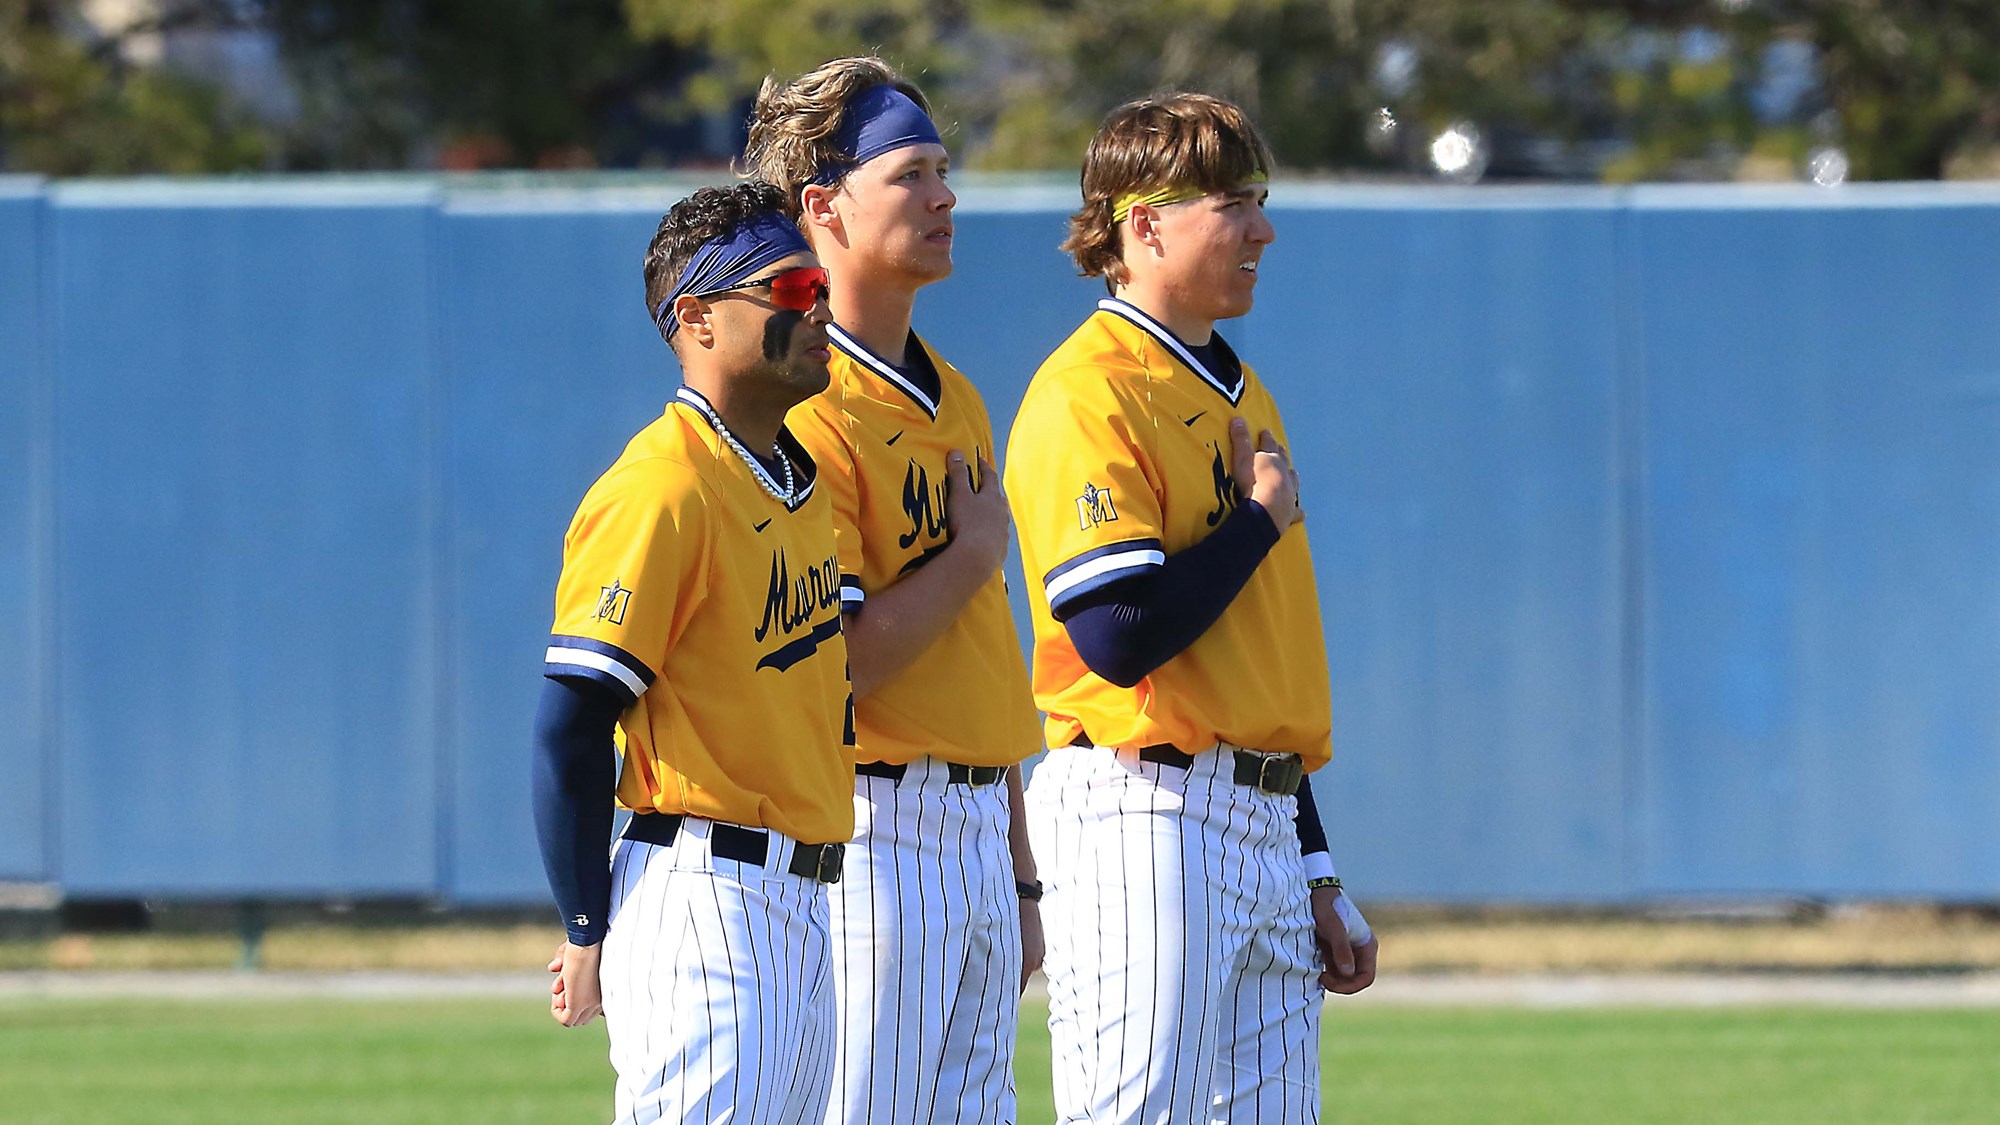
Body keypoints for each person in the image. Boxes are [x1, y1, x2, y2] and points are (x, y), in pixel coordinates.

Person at [1003, 92, 1380, 1124]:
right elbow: (1115, 638)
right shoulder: (1089, 393)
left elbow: (1252, 665)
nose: (1261, 228)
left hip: (1256, 811)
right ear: (1143, 222)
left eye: (1257, 198)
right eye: (1230, 202)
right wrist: (1255, 523)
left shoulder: (1242, 391)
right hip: (1140, 808)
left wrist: (1314, 864)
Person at [742, 56, 1044, 1125]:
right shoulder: (804, 402)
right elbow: (845, 663)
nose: (944, 196)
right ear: (823, 206)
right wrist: (967, 557)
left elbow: (980, 650)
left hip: (971, 829)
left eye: (943, 170)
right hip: (875, 826)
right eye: (912, 173)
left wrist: (1017, 873)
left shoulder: (949, 388)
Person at [530, 180, 854, 1125]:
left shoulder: (798, 483)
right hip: (704, 895)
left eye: (821, 288)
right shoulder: (662, 485)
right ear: (698, 318)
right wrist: (586, 922)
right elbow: (572, 724)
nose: (821, 309)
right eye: (791, 293)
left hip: (802, 902)